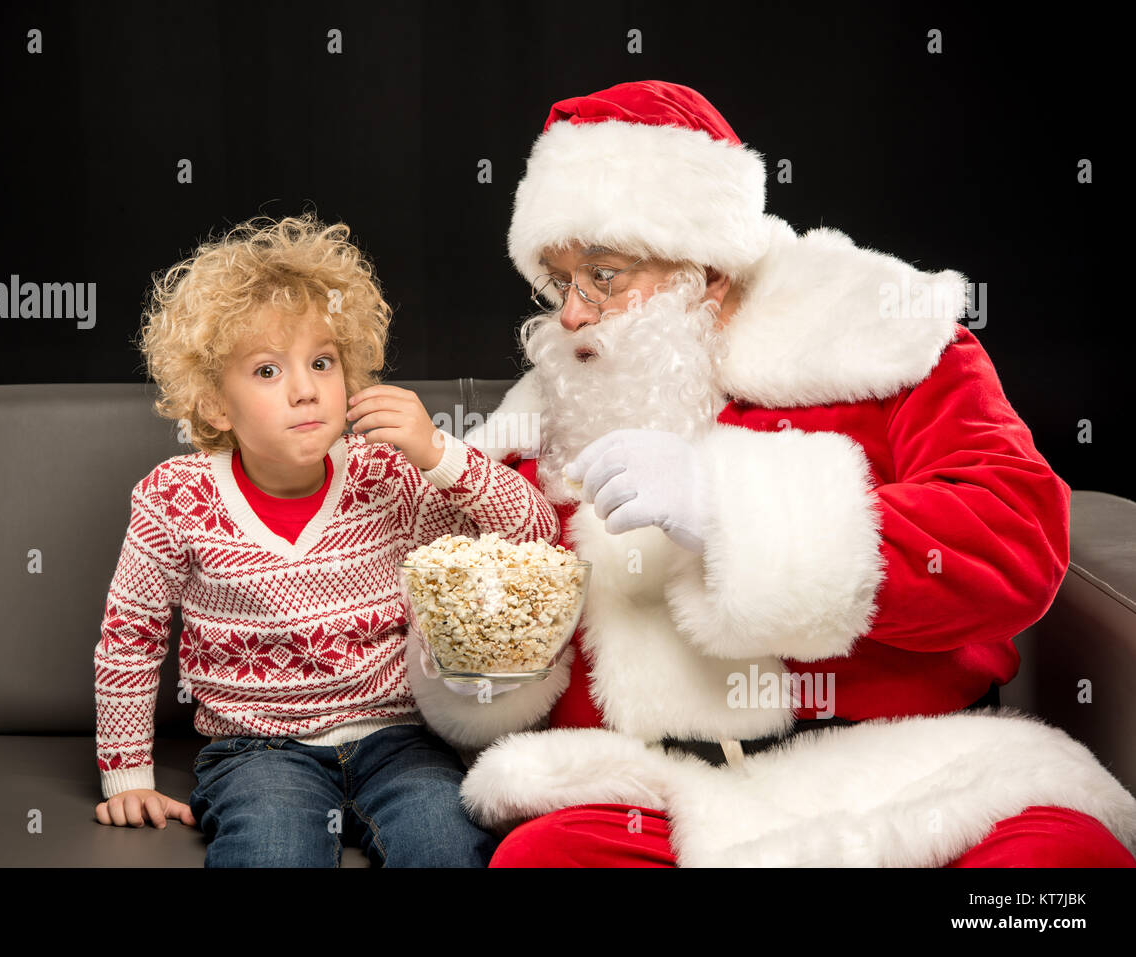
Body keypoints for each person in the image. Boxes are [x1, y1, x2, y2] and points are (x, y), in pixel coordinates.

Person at [405, 80, 1136, 867]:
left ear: (708, 270)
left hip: (917, 771)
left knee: (1058, 868)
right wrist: (476, 667)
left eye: (605, 276)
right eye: (560, 282)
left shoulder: (883, 341)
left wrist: (735, 513)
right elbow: (502, 626)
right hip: (660, 795)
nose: (573, 314)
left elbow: (1014, 535)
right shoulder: (539, 419)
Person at [92, 213, 561, 867]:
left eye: (322, 361)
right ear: (215, 404)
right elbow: (129, 638)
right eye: (267, 371)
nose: (306, 389)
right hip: (258, 752)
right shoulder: (175, 496)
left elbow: (535, 536)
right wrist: (127, 775)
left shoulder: (389, 473)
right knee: (272, 853)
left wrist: (438, 452)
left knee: (448, 846)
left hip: (400, 739)